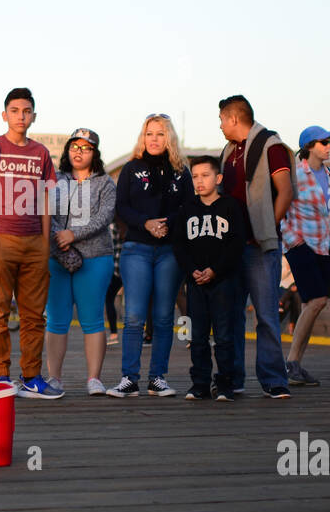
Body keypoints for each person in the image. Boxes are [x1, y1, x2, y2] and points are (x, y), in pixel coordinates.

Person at [0, 88, 60, 399]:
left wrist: (45, 241)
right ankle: (0, 375)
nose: (20, 116)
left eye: (26, 111)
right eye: (14, 110)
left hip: (34, 242)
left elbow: (48, 198)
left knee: (34, 315)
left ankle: (32, 377)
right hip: (2, 240)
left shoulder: (41, 153)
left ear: (33, 115)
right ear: (4, 115)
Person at [108, 114, 195, 398]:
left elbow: (188, 206)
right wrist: (146, 223)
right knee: (134, 316)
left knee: (162, 316)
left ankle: (158, 377)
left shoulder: (182, 172)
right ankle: (129, 378)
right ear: (142, 137)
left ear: (169, 137)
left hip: (170, 250)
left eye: (160, 133)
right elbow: (121, 206)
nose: (154, 139)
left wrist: (166, 223)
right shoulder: (132, 169)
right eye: (149, 133)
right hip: (137, 249)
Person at [218, 95, 295, 399]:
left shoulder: (270, 144)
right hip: (232, 247)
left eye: (222, 119)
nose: (220, 125)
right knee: (233, 314)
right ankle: (234, 378)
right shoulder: (228, 151)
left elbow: (286, 191)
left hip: (260, 246)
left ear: (234, 119)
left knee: (266, 314)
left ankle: (274, 379)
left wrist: (267, 230)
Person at [44, 128, 116, 395]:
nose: (78, 151)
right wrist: (56, 236)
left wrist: (73, 233)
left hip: (95, 257)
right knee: (56, 319)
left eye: (86, 147)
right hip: (56, 257)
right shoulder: (55, 179)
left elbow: (105, 216)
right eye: (74, 146)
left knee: (92, 319)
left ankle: (94, 378)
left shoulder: (105, 182)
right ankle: (54, 378)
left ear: (94, 153)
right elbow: (44, 211)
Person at [173, 156, 245, 400]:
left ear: (218, 178)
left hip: (223, 281)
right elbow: (180, 245)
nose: (199, 181)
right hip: (195, 283)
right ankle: (200, 383)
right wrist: (191, 269)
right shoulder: (187, 208)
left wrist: (215, 270)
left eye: (205, 175)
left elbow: (236, 245)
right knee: (198, 335)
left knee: (224, 336)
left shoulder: (231, 207)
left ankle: (225, 383)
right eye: (195, 176)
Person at [280, 125, 330, 387]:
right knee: (317, 301)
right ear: (309, 146)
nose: (328, 146)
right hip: (301, 244)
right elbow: (280, 206)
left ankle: (295, 365)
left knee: (309, 305)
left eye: (329, 142)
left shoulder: (329, 173)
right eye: (323, 142)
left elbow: (328, 212)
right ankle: (291, 362)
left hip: (323, 245)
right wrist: (293, 240)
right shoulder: (295, 174)